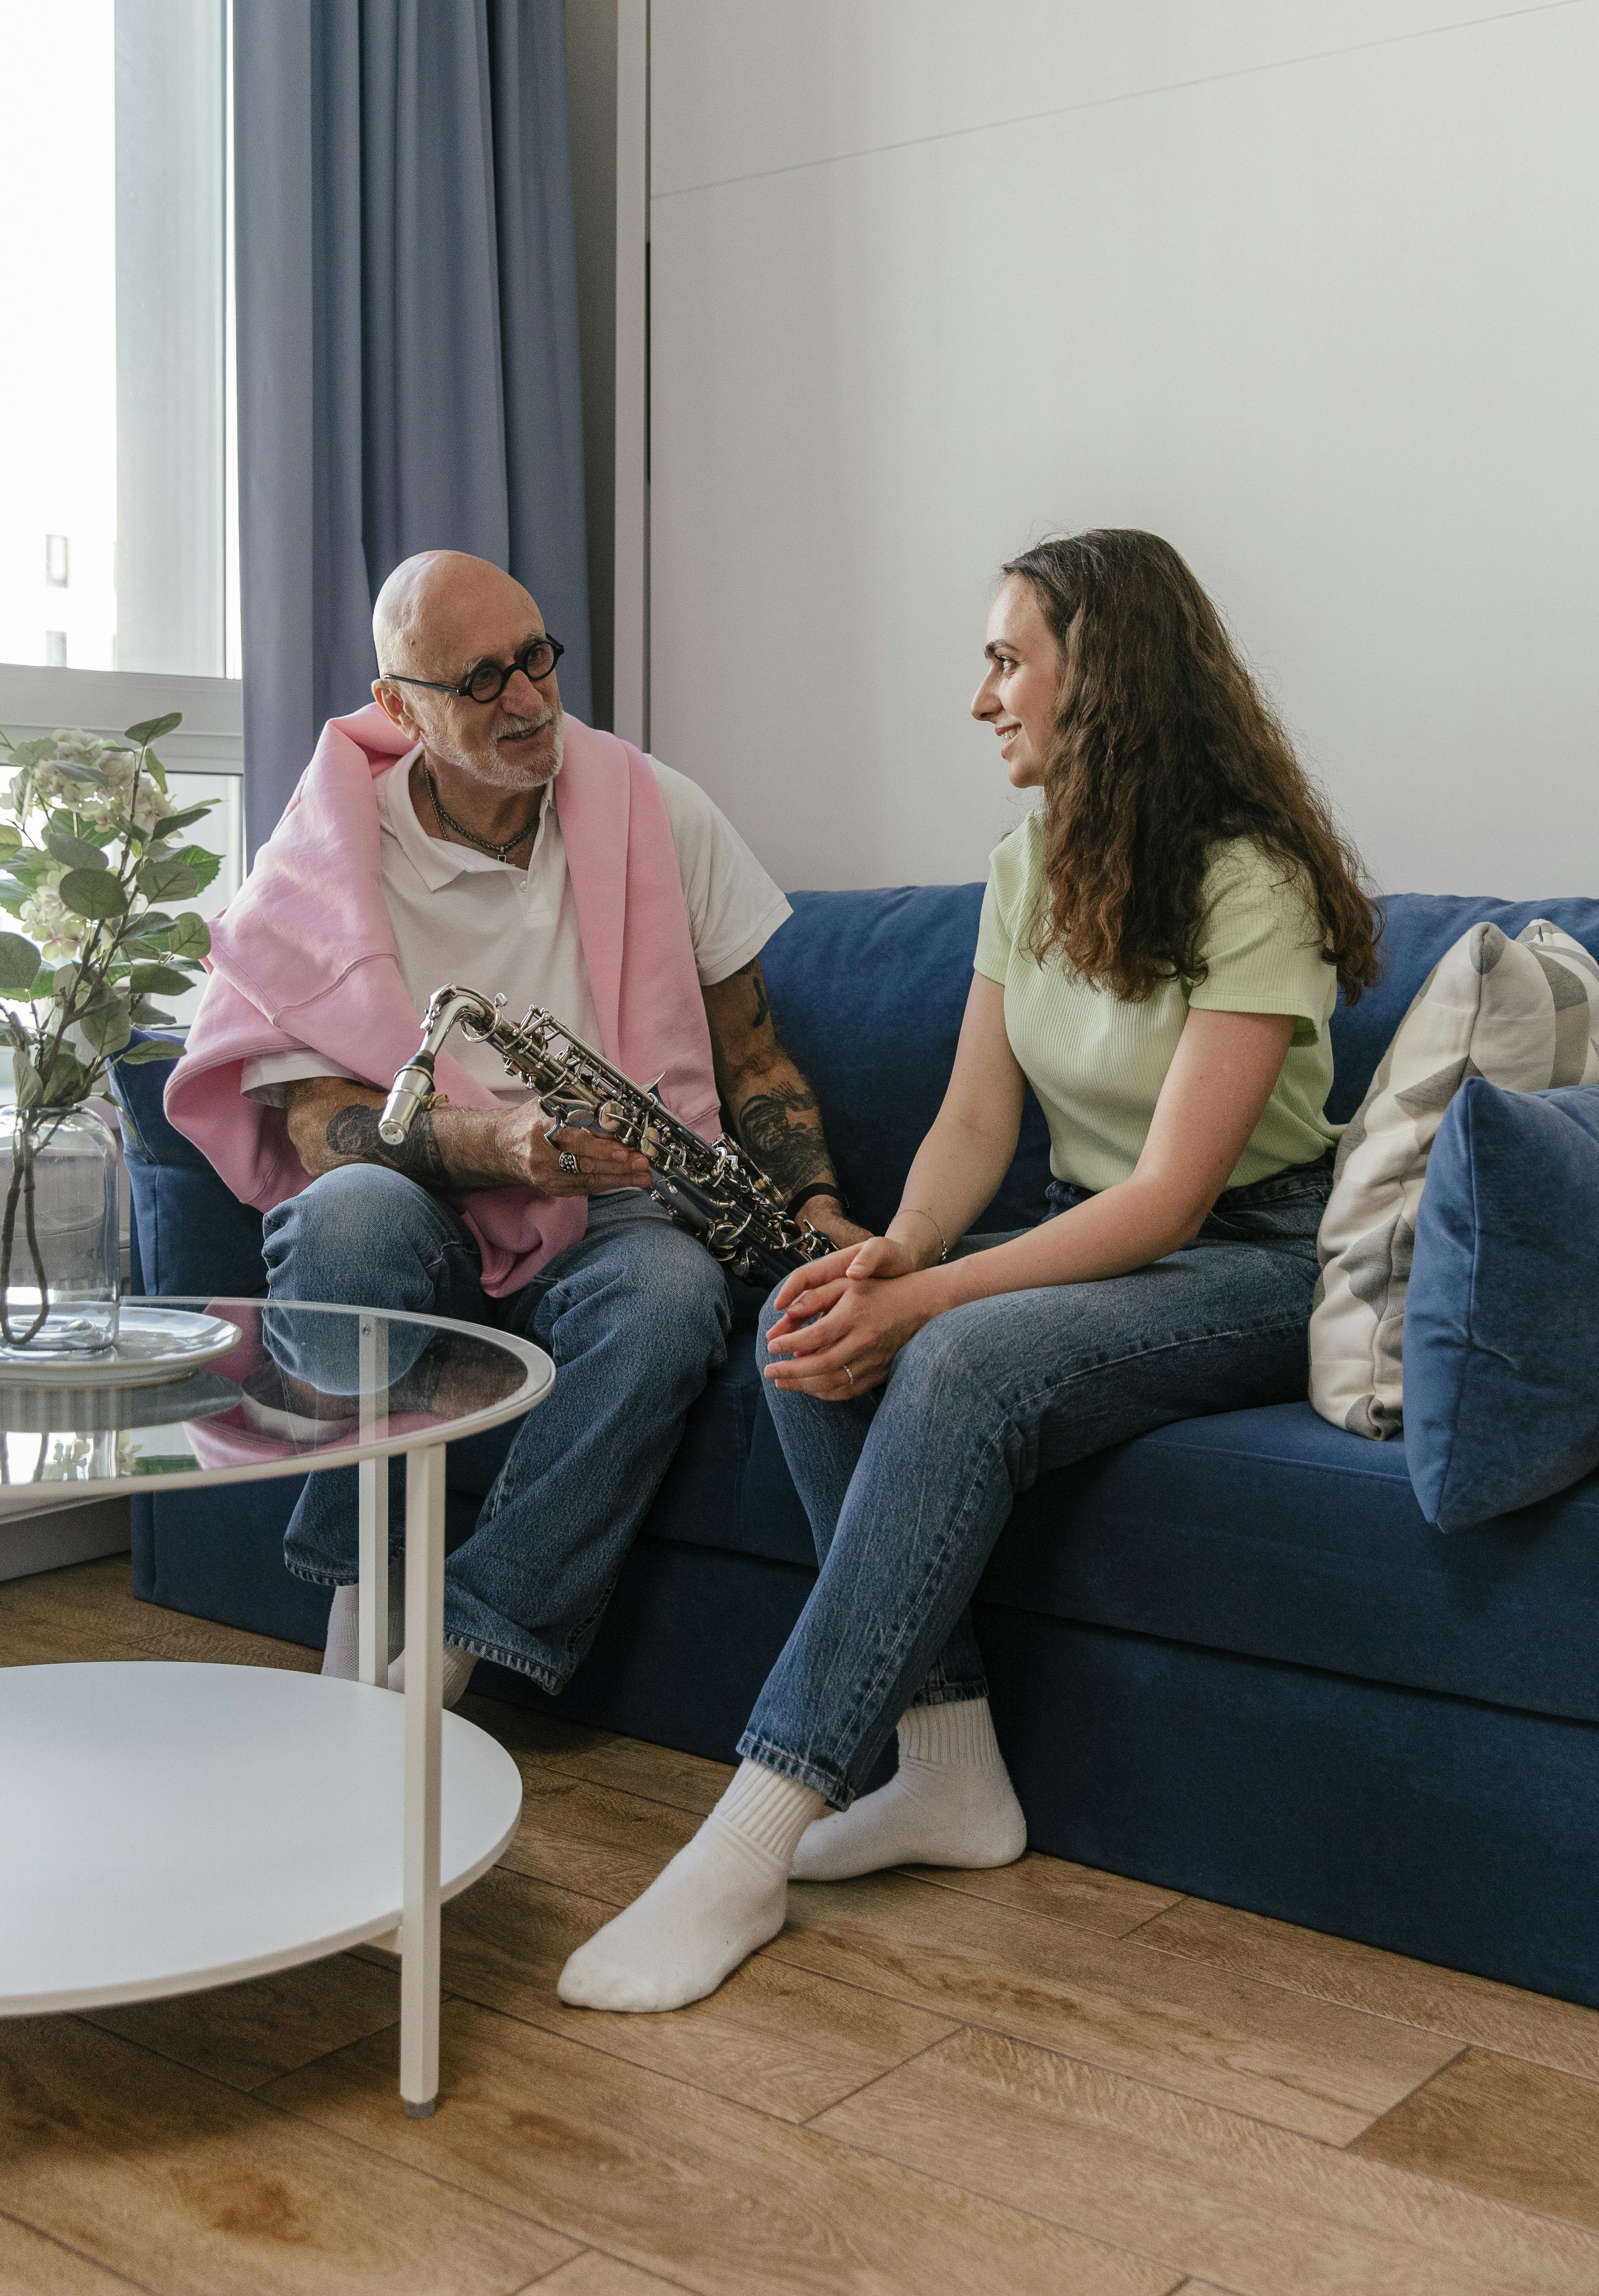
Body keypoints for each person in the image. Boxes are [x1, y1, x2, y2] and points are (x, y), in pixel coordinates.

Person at [558, 527, 1380, 2013]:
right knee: (815, 1327)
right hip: (1092, 1231)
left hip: (1260, 1258)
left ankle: (754, 1833)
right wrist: (894, 1252)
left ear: (1104, 677)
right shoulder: (1029, 865)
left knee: (950, 1354)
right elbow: (973, 1118)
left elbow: (1171, 1198)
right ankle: (948, 1773)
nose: (983, 694)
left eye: (1010, 659)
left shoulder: (1251, 881)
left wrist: (935, 1301)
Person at [168, 550, 866, 1702]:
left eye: (536, 658)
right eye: (481, 680)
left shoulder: (656, 807)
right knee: (345, 1222)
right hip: (421, 1208)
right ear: (398, 706)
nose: (529, 701)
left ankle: (452, 1645)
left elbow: (752, 1055)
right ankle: (360, 1610)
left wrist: (821, 1210)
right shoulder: (326, 857)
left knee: (674, 1296)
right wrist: (500, 1147)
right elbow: (320, 1130)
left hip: (619, 1208)